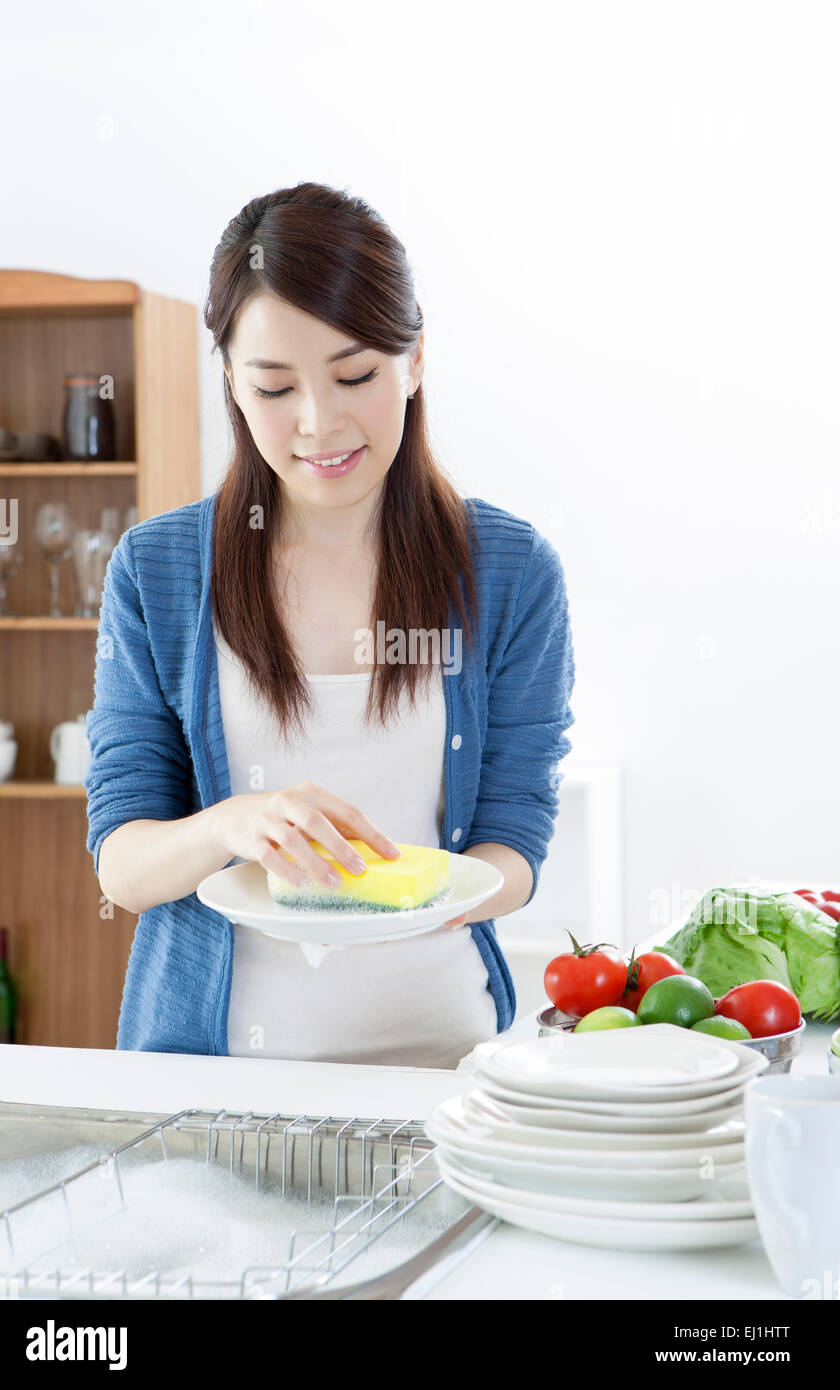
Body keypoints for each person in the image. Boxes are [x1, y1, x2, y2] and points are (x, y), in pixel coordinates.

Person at [85, 181, 575, 1067]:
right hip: (211, 1090)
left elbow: (516, 842)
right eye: (274, 387)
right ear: (230, 380)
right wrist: (229, 826)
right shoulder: (157, 571)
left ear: (415, 359)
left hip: (444, 1072)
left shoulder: (509, 571)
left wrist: (426, 892)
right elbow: (121, 864)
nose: (319, 425)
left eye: (355, 376)